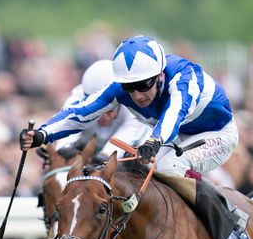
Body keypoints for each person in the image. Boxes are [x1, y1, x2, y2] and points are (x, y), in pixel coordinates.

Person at [20, 35, 238, 183]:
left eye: (143, 85)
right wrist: (43, 133)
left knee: (169, 166)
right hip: (175, 137)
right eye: (129, 87)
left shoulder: (184, 78)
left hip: (216, 134)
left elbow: (174, 114)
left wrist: (154, 141)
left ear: (160, 75)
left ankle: (225, 223)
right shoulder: (120, 89)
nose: (137, 95)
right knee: (134, 173)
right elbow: (81, 113)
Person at [54, 59, 150, 159]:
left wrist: (106, 154)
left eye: (109, 110)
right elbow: (67, 135)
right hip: (86, 147)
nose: (104, 117)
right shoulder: (75, 101)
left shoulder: (133, 105)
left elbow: (127, 134)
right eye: (97, 112)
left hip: (135, 146)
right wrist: (63, 148)